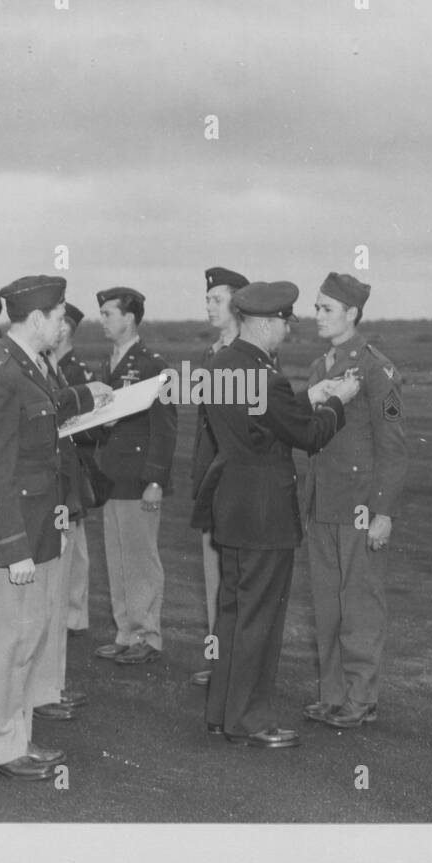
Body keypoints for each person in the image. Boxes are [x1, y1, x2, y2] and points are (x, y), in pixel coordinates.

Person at [0, 276, 110, 780]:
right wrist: (14, 548)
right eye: (59, 316)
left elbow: (42, 414)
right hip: (8, 536)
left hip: (35, 525)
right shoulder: (0, 373)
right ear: (36, 318)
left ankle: (16, 735)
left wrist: (85, 396)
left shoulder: (27, 365)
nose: (64, 325)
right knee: (3, 645)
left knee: (26, 640)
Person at [199, 281, 358, 748]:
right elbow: (306, 436)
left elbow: (260, 422)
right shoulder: (264, 375)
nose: (287, 332)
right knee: (260, 620)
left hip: (232, 503)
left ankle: (222, 711)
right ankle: (250, 720)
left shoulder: (222, 364)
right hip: (266, 509)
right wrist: (335, 402)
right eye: (284, 324)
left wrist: (306, 397)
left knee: (232, 612)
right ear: (266, 324)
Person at [301, 272, 408, 728]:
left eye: (326, 308)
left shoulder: (375, 369)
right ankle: (333, 694)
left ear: (352, 313)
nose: (317, 315)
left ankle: (360, 698)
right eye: (317, 307)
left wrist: (383, 511)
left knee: (359, 605)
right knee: (327, 605)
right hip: (323, 503)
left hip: (360, 506)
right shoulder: (318, 368)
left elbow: (394, 446)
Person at [92, 287, 178, 666]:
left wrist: (156, 480)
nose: (103, 319)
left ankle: (146, 635)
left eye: (108, 312)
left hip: (139, 479)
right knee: (118, 558)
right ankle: (126, 632)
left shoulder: (151, 365)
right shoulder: (109, 362)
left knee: (141, 559)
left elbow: (165, 427)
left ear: (129, 318)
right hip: (113, 477)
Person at [188, 266, 249, 686]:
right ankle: (220, 662)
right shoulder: (211, 355)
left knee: (238, 579)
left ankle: (239, 665)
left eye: (217, 299)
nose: (209, 306)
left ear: (238, 303)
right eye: (208, 299)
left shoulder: (251, 354)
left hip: (237, 485)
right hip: (211, 484)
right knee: (215, 578)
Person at [35, 301, 92, 721]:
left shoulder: (48, 365)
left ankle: (50, 685)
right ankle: (43, 689)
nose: (63, 331)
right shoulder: (34, 367)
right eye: (58, 322)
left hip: (63, 496)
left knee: (55, 599)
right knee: (46, 601)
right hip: (49, 498)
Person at [51, 303, 96, 637]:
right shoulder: (55, 365)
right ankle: (72, 612)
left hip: (71, 464)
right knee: (71, 547)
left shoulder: (74, 370)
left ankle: (74, 612)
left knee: (73, 549)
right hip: (62, 469)